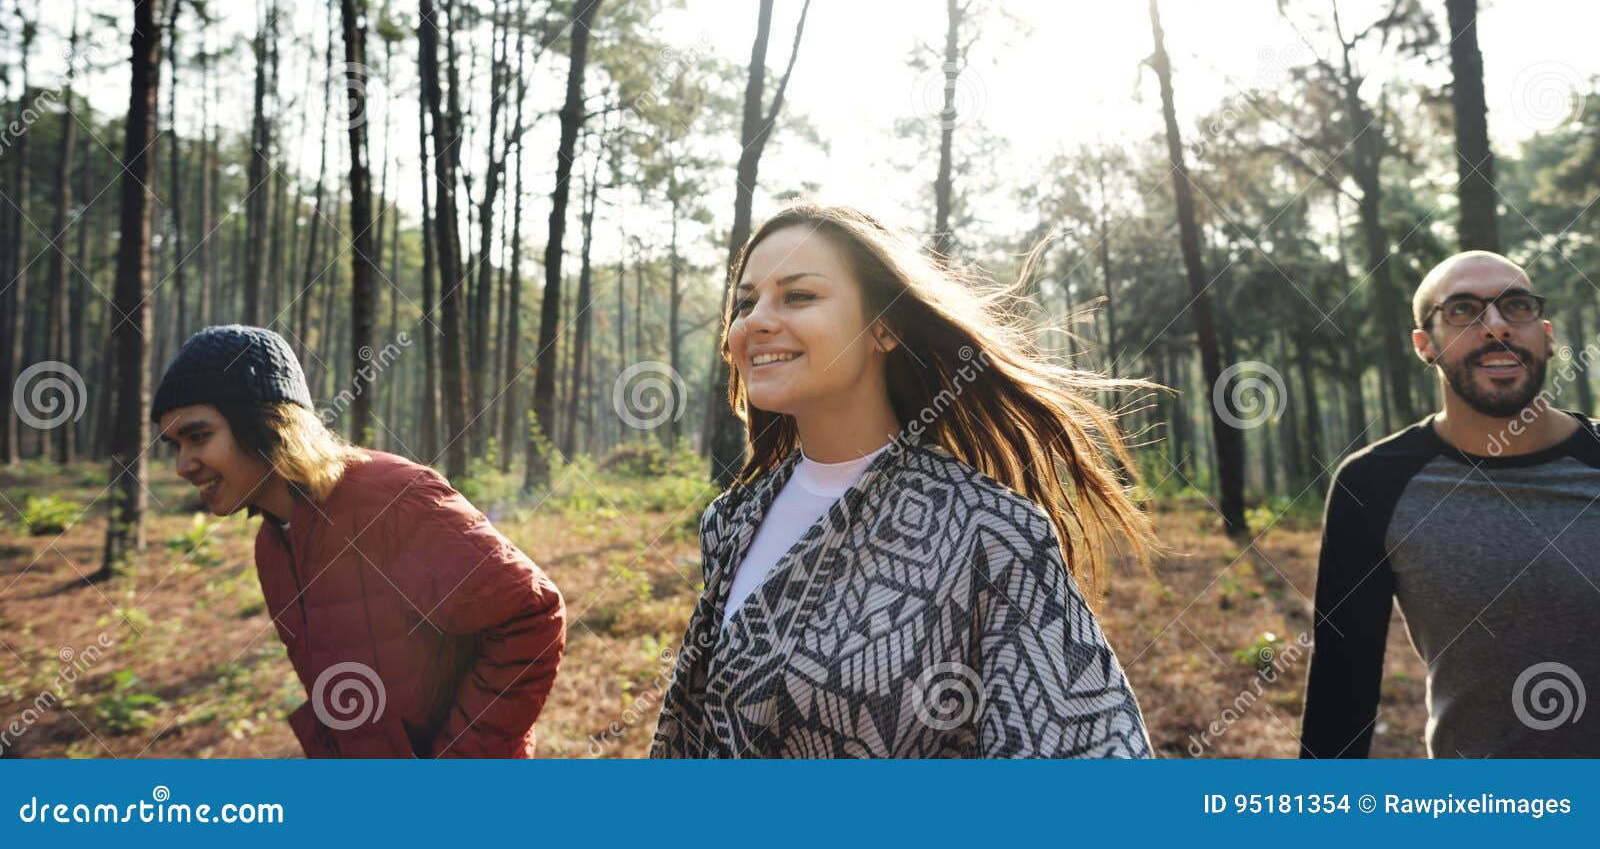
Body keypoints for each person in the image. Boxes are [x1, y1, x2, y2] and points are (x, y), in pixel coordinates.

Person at [651, 201, 1155, 758]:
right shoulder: (732, 521)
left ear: (885, 327)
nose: (754, 321)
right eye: (746, 302)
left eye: (798, 295)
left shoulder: (990, 532)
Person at [152, 324, 567, 758]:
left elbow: (532, 614)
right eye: (174, 445)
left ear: (268, 423)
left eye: (199, 437)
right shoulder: (272, 545)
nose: (183, 465)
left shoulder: (390, 498)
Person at [1300, 251, 1600, 758]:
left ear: (1546, 335)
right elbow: (1341, 690)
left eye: (1516, 306)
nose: (1496, 327)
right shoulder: (1374, 484)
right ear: (1425, 345)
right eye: (1463, 311)